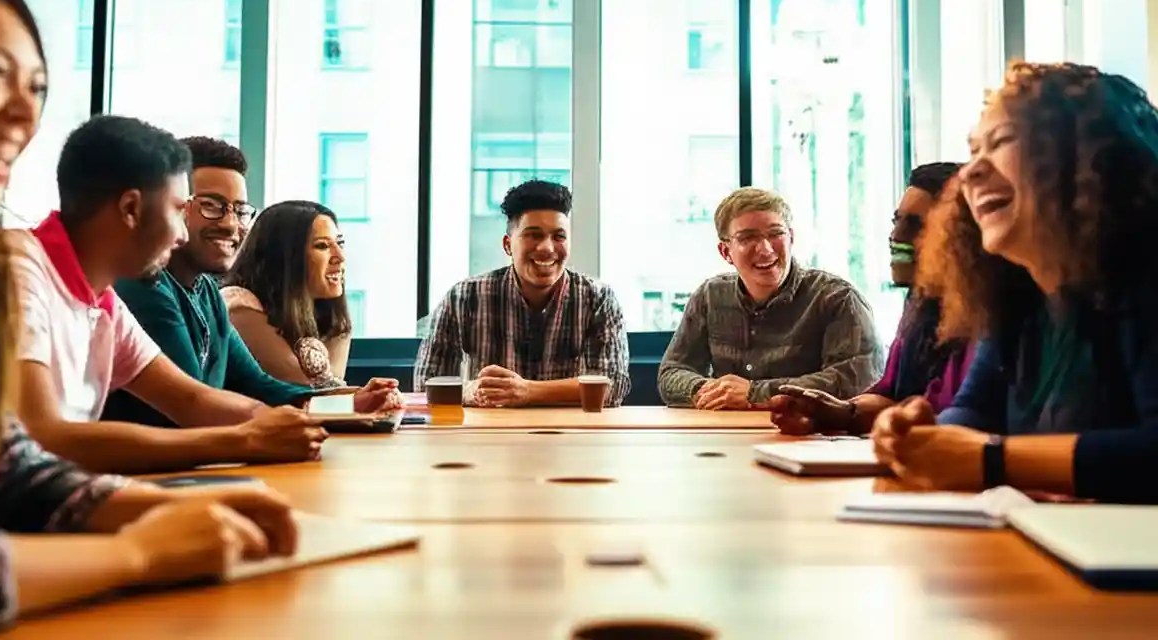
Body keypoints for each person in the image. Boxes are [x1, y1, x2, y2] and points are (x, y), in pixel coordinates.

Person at [0, 0, 303, 632]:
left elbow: (7, 464)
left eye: (37, 87)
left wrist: (172, 511)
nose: (24, 114)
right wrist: (135, 555)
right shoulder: (11, 270)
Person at [873, 62, 1158, 504]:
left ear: (1086, 157)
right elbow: (975, 410)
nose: (969, 173)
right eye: (973, 152)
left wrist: (994, 460)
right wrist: (923, 437)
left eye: (1000, 143)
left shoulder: (1143, 281)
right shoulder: (1018, 298)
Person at [9, 115, 332, 474]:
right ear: (131, 209)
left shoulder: (103, 299)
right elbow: (41, 438)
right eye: (180, 210)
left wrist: (283, 423)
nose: (181, 234)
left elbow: (191, 399)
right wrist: (248, 439)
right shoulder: (18, 271)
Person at [104, 140, 398, 428]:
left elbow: (260, 387)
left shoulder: (207, 293)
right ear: (173, 205)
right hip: (154, 470)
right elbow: (194, 405)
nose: (231, 224)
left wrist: (350, 404)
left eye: (240, 210)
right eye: (211, 206)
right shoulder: (143, 285)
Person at [770, 163, 973, 435]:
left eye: (916, 226)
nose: (895, 236)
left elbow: (960, 421)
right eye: (896, 221)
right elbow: (892, 398)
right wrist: (836, 413)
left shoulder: (987, 317)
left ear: (966, 237)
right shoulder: (920, 302)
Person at [658, 187, 881, 410]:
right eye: (747, 238)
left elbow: (856, 379)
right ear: (725, 252)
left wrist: (756, 394)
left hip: (811, 438)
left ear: (791, 237)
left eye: (776, 234)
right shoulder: (710, 296)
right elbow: (671, 373)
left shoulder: (838, 299)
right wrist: (712, 391)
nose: (765, 249)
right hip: (727, 431)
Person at [413, 180, 630, 407]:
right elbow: (425, 384)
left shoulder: (598, 298)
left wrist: (527, 391)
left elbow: (612, 386)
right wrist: (470, 391)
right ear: (508, 245)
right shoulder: (464, 297)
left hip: (568, 435)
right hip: (488, 435)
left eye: (559, 237)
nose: (547, 248)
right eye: (533, 235)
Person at [221, 200, 396, 399]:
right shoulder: (240, 304)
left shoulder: (326, 308)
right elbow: (306, 392)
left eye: (339, 243)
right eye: (322, 246)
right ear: (285, 256)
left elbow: (330, 391)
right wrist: (362, 397)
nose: (339, 257)